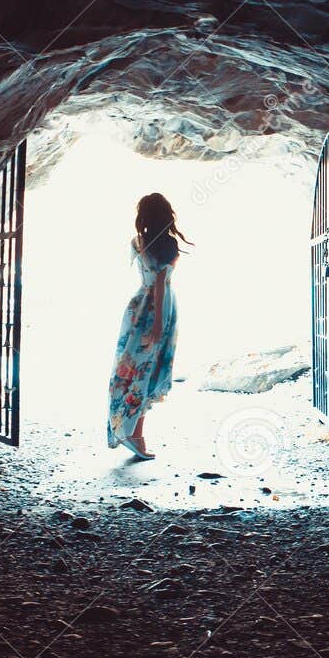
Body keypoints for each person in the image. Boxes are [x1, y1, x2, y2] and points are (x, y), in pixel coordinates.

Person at [107, 193, 186, 460]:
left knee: (131, 368)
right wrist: (159, 323)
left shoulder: (137, 241)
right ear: (167, 216)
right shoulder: (170, 245)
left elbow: (148, 277)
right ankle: (135, 436)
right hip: (159, 308)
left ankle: (130, 432)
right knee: (149, 371)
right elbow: (161, 284)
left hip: (137, 305)